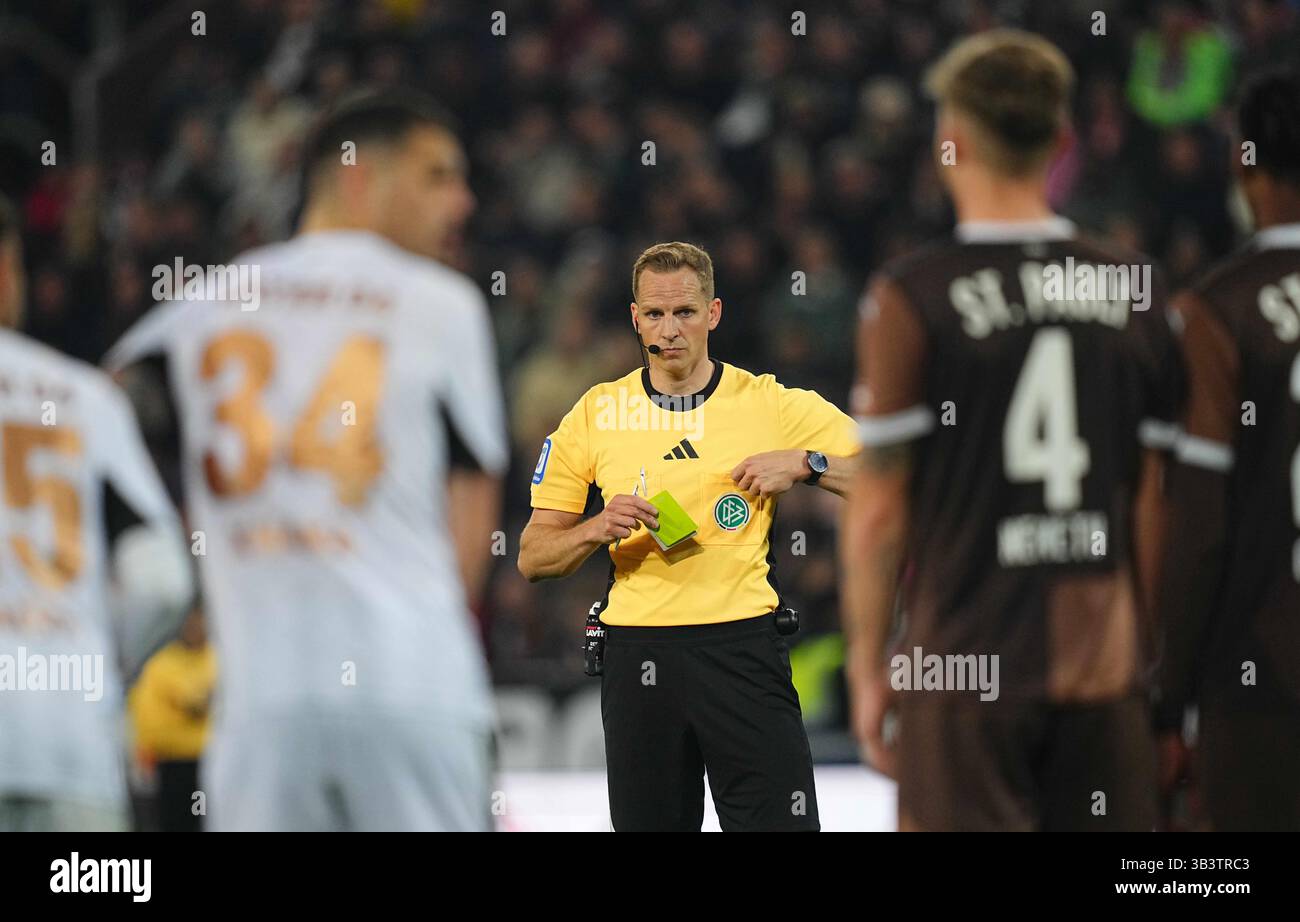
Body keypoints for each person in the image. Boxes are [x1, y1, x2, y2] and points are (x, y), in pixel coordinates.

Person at [105, 91, 508, 831]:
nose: (463, 201)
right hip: (416, 690)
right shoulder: (441, 304)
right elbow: (474, 492)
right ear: (357, 178)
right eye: (437, 176)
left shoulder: (199, 308)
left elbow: (93, 423)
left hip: (262, 708)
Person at [840, 30, 1181, 831]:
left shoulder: (910, 296)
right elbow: (1156, 499)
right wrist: (1145, 662)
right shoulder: (1135, 291)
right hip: (1101, 671)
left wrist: (869, 664)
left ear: (948, 144)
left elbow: (880, 510)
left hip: (962, 672)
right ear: (1061, 143)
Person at [517, 240, 859, 831]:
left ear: (714, 313)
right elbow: (530, 556)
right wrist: (597, 528)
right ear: (634, 318)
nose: (669, 329)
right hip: (639, 661)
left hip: (744, 652)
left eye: (684, 313)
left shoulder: (768, 403)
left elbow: (896, 473)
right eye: (654, 314)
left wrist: (808, 464)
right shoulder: (598, 414)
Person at [0, 194, 193, 831]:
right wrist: (102, 665)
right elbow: (161, 581)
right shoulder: (84, 397)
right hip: (71, 751)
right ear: (8, 271)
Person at [1155, 68, 1300, 831]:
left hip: (1263, 674)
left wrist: (1164, 701)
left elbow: (1196, 528)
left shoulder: (1217, 310)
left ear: (1245, 162)